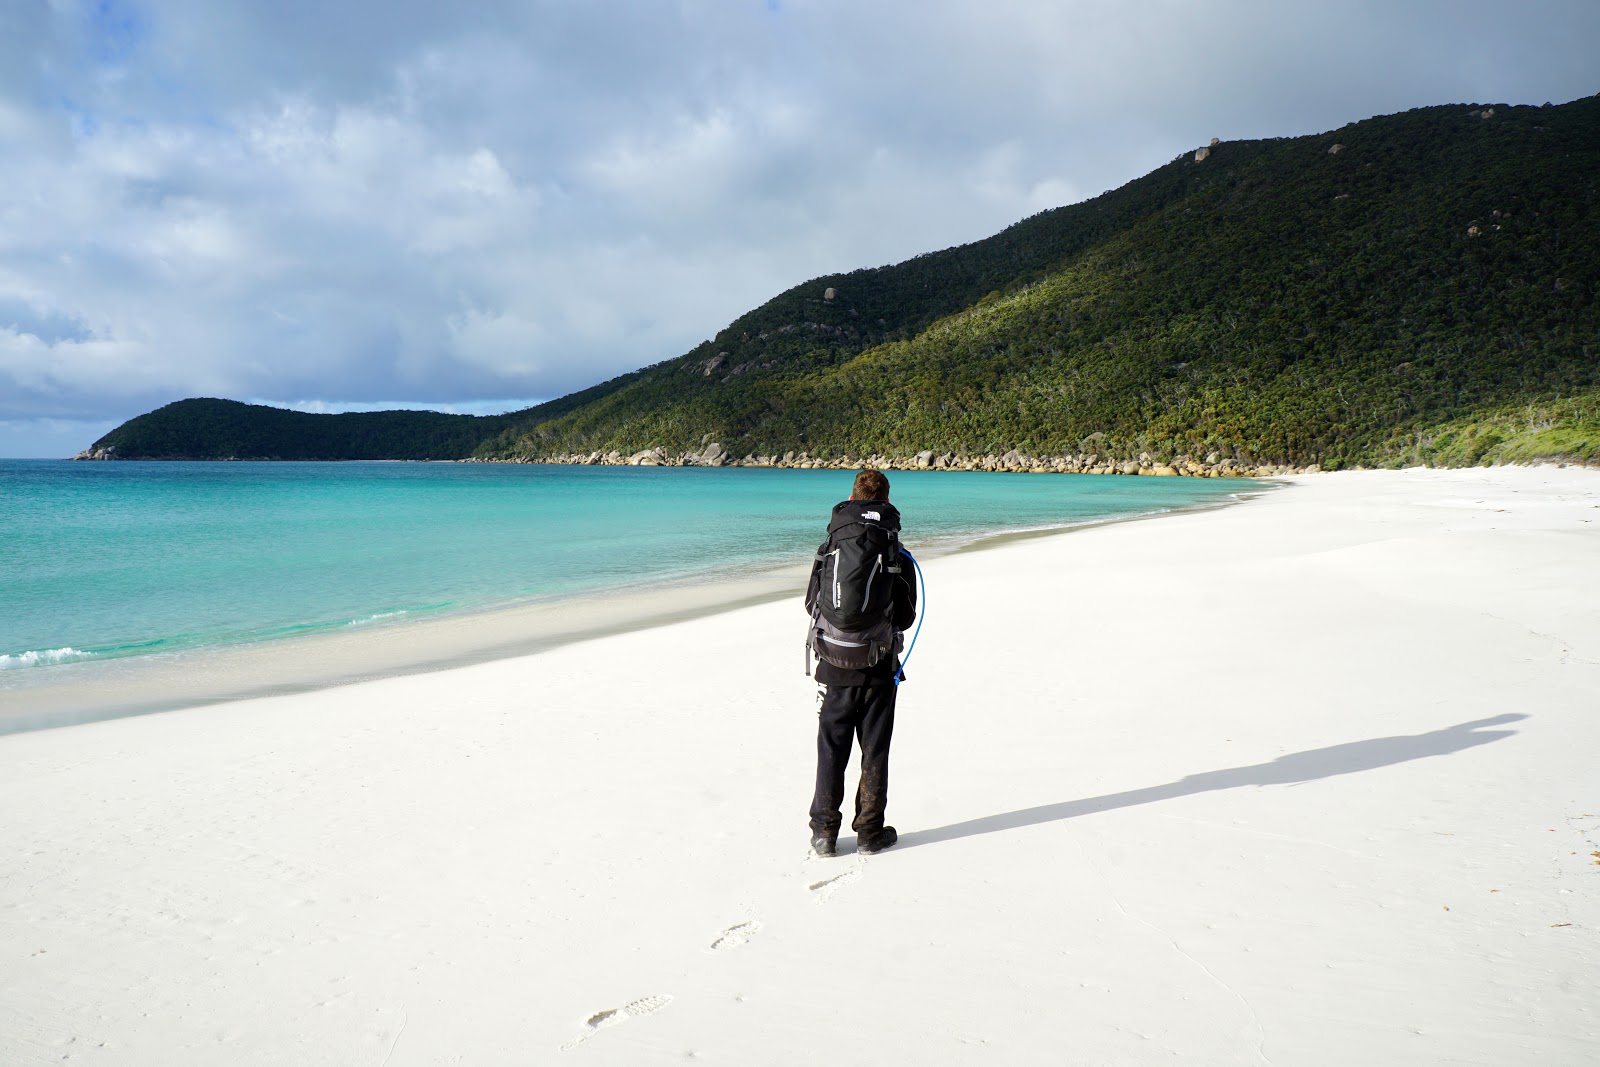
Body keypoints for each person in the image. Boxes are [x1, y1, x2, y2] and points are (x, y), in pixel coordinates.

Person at [804, 468, 917, 857]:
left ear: (851, 499)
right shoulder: (894, 552)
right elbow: (905, 617)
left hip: (833, 665)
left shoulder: (830, 546)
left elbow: (810, 604)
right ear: (886, 501)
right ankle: (869, 832)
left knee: (831, 749)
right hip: (879, 667)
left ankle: (824, 833)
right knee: (875, 750)